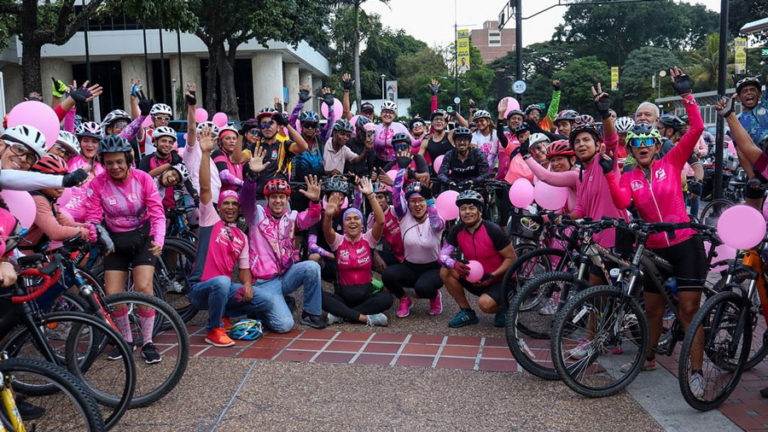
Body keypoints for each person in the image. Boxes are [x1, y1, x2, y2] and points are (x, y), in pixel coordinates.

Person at [603, 67, 707, 396]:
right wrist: (610, 173)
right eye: (637, 143)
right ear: (632, 149)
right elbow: (620, 199)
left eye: (649, 141)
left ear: (657, 144)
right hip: (655, 248)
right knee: (652, 309)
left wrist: (687, 95)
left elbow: (697, 128)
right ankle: (647, 358)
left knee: (690, 309)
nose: (643, 146)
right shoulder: (631, 174)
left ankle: (696, 371)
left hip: (685, 242)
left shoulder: (672, 163)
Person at [85, 134, 166, 364]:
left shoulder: (143, 179)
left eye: (119, 161)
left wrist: (159, 239)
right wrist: (97, 235)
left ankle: (148, 342)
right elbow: (92, 217)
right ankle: (126, 340)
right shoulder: (97, 183)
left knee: (142, 287)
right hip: (115, 242)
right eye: (109, 162)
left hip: (143, 238)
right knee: (114, 296)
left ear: (128, 159)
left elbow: (157, 213)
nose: (115, 167)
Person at [188, 127, 261, 347]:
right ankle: (213, 329)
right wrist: (206, 154)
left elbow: (245, 269)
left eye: (234, 205)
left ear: (239, 209)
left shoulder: (241, 235)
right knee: (222, 281)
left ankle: (225, 314)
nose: (230, 207)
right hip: (201, 289)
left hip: (224, 287)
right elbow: (204, 187)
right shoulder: (209, 219)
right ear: (219, 208)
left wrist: (247, 286)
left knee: (261, 298)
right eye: (226, 204)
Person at [239, 149, 327, 331]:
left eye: (281, 197)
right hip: (264, 282)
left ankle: (310, 313)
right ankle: (260, 308)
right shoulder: (256, 215)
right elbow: (246, 201)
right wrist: (251, 178)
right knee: (284, 325)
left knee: (312, 267)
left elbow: (312, 218)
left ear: (287, 199)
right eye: (273, 197)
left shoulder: (291, 216)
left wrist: (316, 202)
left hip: (285, 276)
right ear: (267, 199)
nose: (278, 201)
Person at [439, 190, 517, 328]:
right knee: (446, 271)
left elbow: (512, 258)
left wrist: (492, 275)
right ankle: (467, 312)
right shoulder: (457, 230)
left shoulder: (493, 230)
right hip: (476, 278)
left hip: (500, 280)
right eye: (463, 209)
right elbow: (442, 256)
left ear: (480, 211)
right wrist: (454, 263)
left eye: (472, 208)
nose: (467, 212)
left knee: (485, 305)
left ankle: (504, 307)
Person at [321, 177, 393, 326]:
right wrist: (328, 215)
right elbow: (327, 230)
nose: (352, 221)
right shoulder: (338, 241)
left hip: (365, 295)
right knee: (319, 296)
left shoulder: (369, 239)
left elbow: (380, 221)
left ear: (362, 224)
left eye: (356, 219)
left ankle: (342, 314)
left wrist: (371, 196)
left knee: (387, 299)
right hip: (343, 295)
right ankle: (365, 318)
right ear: (344, 225)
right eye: (348, 219)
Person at [382, 156, 445, 318]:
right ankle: (404, 299)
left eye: (421, 201)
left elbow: (437, 225)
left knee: (422, 288)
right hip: (410, 266)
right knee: (388, 275)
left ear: (427, 202)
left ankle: (434, 297)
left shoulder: (436, 217)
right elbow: (396, 195)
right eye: (413, 201)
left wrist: (430, 200)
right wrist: (401, 170)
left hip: (433, 268)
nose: (417, 205)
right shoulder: (404, 217)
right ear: (408, 204)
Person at [24, 155, 96, 252]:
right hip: (22, 256)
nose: (61, 185)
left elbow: (66, 223)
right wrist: (87, 233)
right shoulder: (38, 200)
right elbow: (55, 232)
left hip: (34, 253)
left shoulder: (48, 199)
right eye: (55, 179)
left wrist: (90, 227)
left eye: (63, 179)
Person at [243, 107, 308, 202]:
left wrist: (287, 124)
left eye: (271, 123)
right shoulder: (254, 147)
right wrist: (241, 134)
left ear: (278, 127)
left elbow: (304, 146)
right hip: (260, 198)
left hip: (281, 197)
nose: (267, 126)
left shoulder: (285, 145)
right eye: (264, 123)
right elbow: (236, 159)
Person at [367, 181, 404, 273]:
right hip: (396, 255)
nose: (378, 201)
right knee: (367, 255)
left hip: (412, 255)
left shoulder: (395, 210)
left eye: (380, 197)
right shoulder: (372, 217)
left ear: (387, 198)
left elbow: (402, 199)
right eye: (374, 198)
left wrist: (393, 185)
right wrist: (376, 257)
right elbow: (368, 241)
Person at [373, 101, 412, 168]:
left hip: (395, 162)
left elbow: (413, 142)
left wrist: (425, 137)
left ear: (394, 115)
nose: (387, 114)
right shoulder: (376, 128)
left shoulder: (400, 127)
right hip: (378, 162)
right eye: (385, 111)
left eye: (390, 112)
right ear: (381, 113)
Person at [735, 75, 768, 146]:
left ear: (760, 94)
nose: (749, 92)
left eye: (752, 90)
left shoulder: (765, 107)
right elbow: (739, 148)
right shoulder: (737, 120)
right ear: (738, 98)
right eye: (744, 91)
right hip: (754, 156)